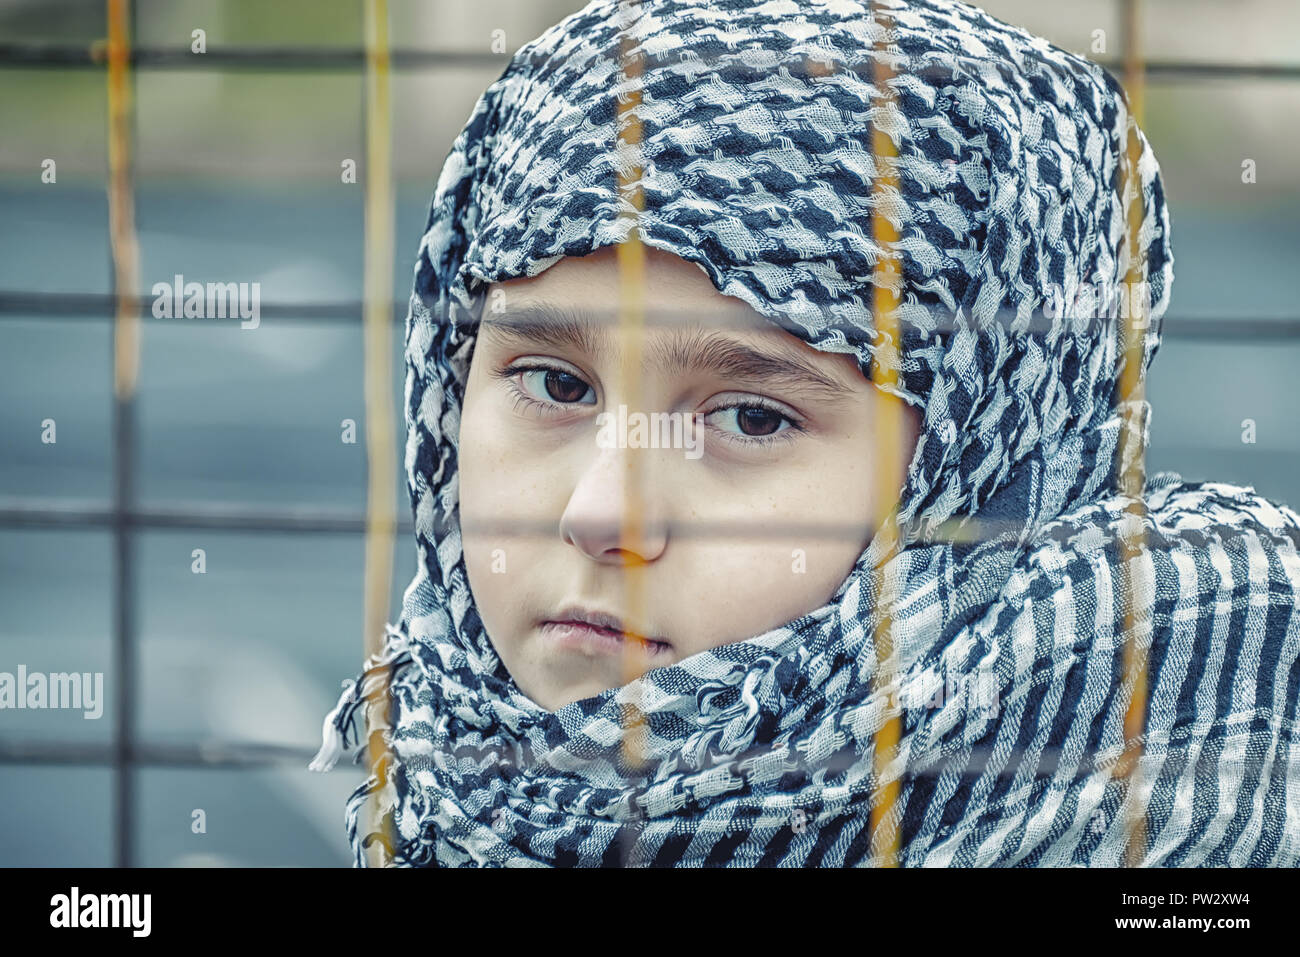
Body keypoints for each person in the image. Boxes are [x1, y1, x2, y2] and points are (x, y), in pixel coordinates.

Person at [311, 0, 1300, 867]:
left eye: (749, 416)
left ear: (978, 464)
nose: (598, 512)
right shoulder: (439, 768)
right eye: (557, 384)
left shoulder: (1178, 795)